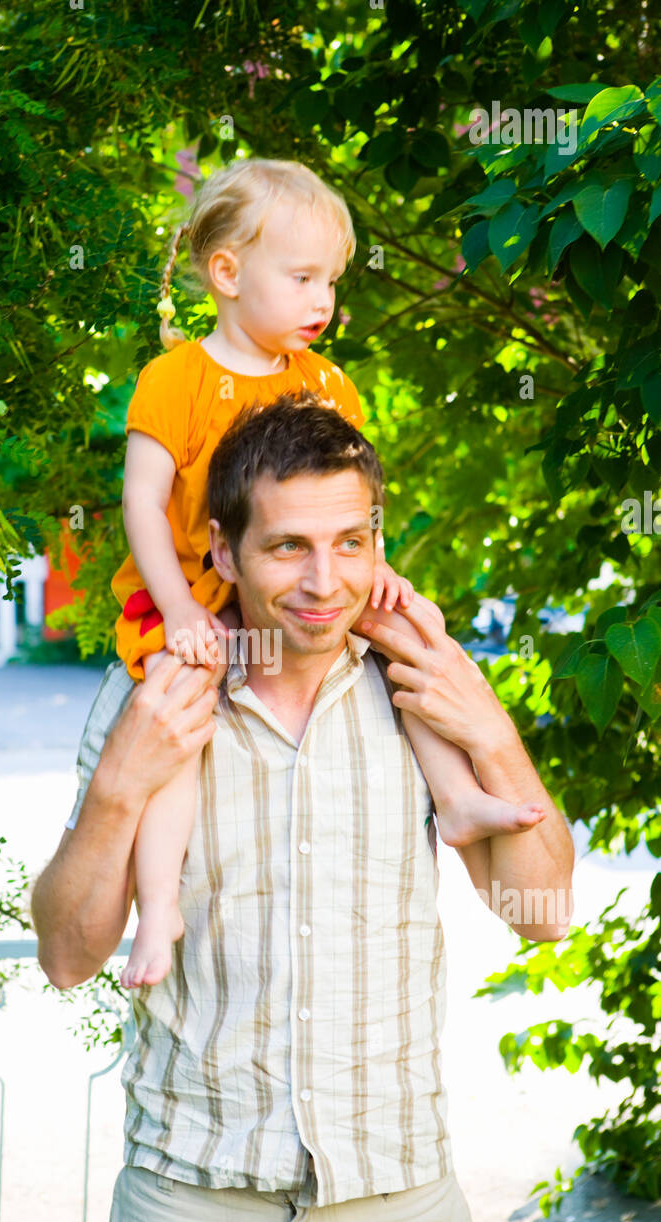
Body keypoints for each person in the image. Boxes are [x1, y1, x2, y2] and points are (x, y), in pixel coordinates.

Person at [31, 393, 575, 1222]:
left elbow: (546, 917)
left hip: (395, 1219)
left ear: (377, 542)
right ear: (220, 549)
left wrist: (492, 731)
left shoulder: (420, 680)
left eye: (351, 542)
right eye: (289, 547)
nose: (327, 581)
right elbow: (66, 955)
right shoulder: (149, 698)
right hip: (189, 1220)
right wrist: (122, 782)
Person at [113, 157, 544, 991]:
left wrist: (378, 569)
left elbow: (354, 497)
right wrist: (179, 610)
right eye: (303, 277)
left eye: (332, 281)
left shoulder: (325, 382)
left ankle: (456, 799)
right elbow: (141, 503)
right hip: (195, 594)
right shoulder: (178, 378)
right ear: (228, 273)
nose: (324, 301)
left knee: (402, 643)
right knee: (180, 721)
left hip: (284, 596)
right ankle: (159, 906)